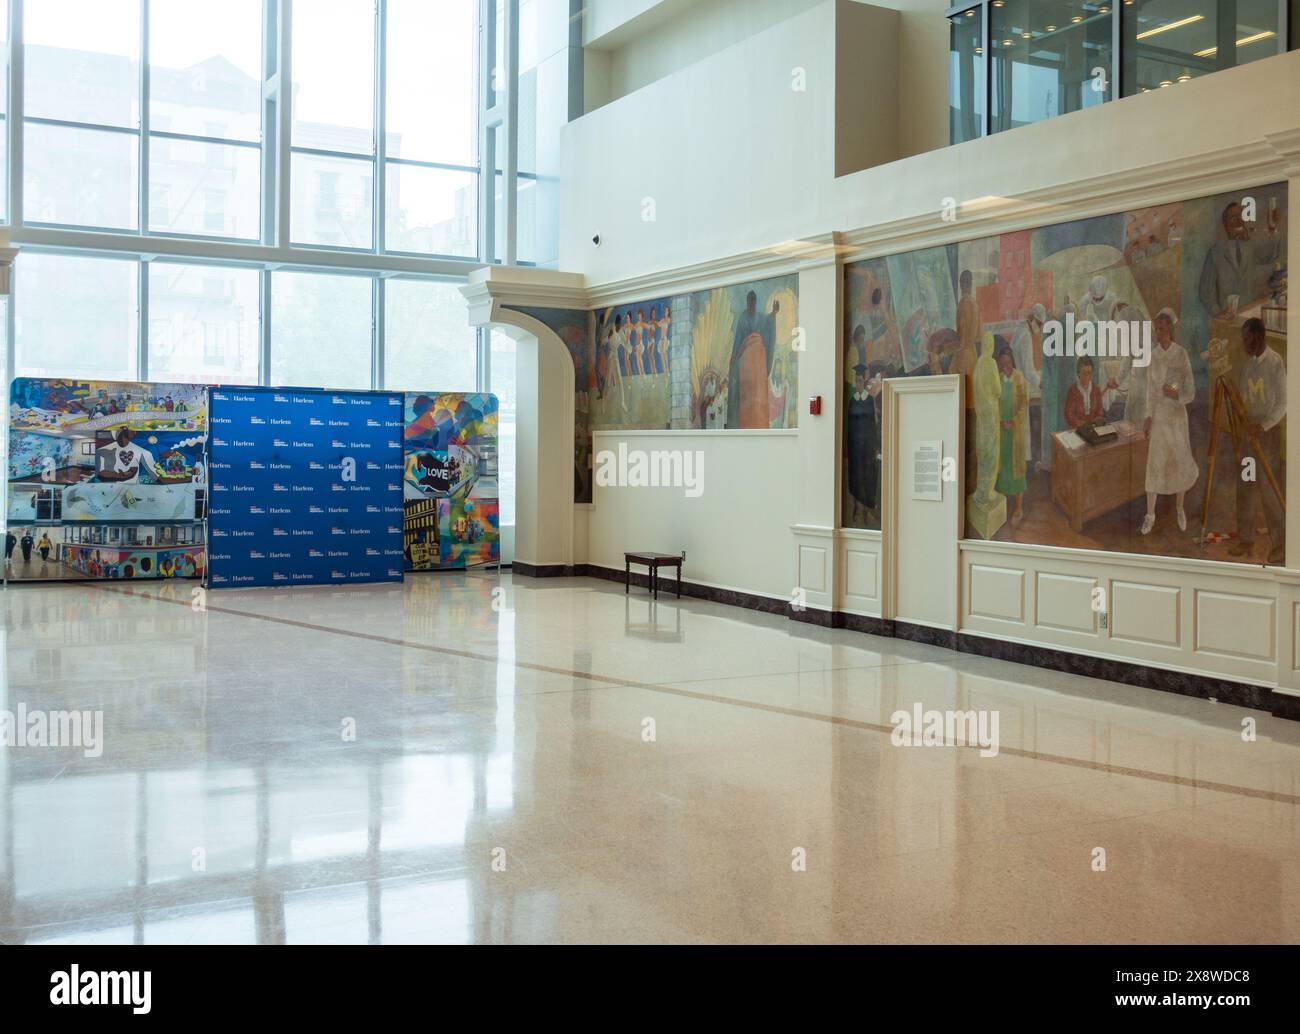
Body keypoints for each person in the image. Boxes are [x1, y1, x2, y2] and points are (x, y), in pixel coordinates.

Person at [1232, 317, 1286, 563]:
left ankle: (1282, 545)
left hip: (1267, 436)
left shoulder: (1275, 363)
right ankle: (1245, 539)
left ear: (1258, 337)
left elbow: (1283, 404)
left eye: (1247, 339)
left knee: (1269, 490)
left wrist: (1262, 427)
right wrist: (1245, 425)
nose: (1244, 344)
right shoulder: (1247, 366)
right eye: (1243, 339)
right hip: (1249, 437)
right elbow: (1243, 399)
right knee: (1246, 486)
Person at [1141, 309, 1198, 535]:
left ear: (1170, 331)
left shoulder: (1181, 354)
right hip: (1159, 417)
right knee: (1155, 463)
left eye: (1162, 329)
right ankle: (1150, 515)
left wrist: (1177, 395)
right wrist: (1148, 416)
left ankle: (1179, 509)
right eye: (1156, 329)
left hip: (1176, 417)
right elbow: (1150, 391)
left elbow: (1191, 390)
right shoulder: (1153, 356)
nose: (1158, 333)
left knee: (1179, 462)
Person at [1198, 200, 1281, 320]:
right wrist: (1217, 313)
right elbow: (1205, 291)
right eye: (1233, 218)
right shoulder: (1216, 252)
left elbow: (1270, 255)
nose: (1239, 221)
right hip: (1228, 319)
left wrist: (1272, 227)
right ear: (1225, 224)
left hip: (1250, 316)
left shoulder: (1250, 247)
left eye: (1240, 217)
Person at [727, 290, 779, 428]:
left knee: (757, 396)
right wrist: (733, 358)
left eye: (753, 300)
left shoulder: (760, 317)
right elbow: (738, 339)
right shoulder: (743, 318)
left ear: (755, 302)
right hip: (745, 362)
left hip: (758, 363)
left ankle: (758, 422)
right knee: (745, 396)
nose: (751, 303)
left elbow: (768, 322)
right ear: (747, 302)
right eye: (749, 300)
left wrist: (774, 313)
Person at [994, 345, 1028, 522]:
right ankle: (1006, 503)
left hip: (1015, 431)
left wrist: (1013, 421)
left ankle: (1019, 506)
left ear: (1012, 361)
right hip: (1002, 430)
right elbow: (995, 403)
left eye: (1007, 363)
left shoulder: (1019, 377)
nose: (1005, 367)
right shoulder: (998, 379)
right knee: (1004, 467)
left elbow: (1024, 404)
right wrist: (1000, 421)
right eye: (1002, 364)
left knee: (1017, 468)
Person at [845, 360, 879, 525]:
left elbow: (874, 425)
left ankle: (866, 510)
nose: (858, 384)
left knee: (867, 478)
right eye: (856, 381)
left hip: (867, 448)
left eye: (860, 381)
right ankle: (857, 509)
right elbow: (849, 427)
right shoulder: (852, 401)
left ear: (864, 382)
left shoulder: (869, 401)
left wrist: (875, 447)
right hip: (855, 449)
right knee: (856, 478)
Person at [1064, 356, 1104, 428]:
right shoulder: (1073, 390)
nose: (1087, 376)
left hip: (1094, 428)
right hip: (1077, 428)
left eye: (1089, 373)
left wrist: (1098, 420)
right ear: (1078, 373)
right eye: (1084, 373)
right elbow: (1068, 414)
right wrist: (1080, 424)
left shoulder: (1096, 389)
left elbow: (1100, 411)